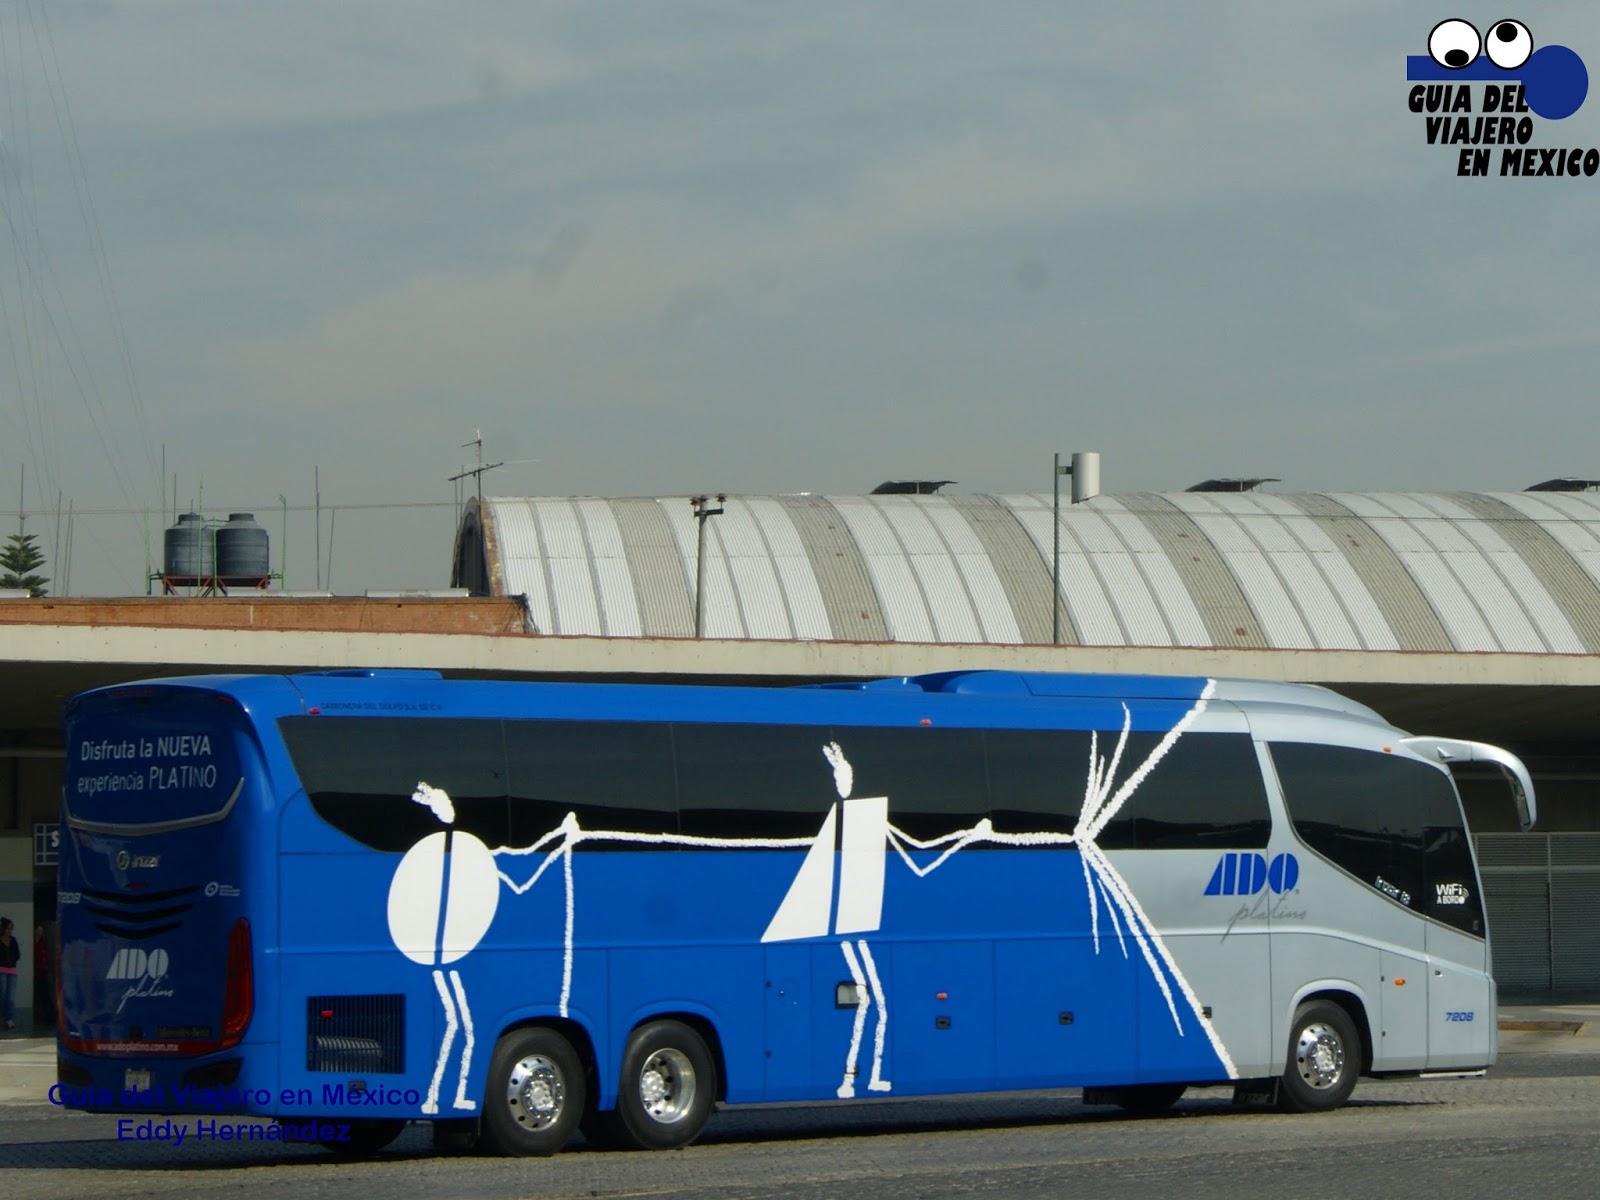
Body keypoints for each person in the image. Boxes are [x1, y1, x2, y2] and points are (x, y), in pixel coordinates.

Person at [0, 917, 19, 1030]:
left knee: (10, 998)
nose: (10, 931)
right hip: (1, 970)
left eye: (11, 929)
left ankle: (9, 1019)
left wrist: (12, 961)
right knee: (2, 996)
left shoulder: (13, 940)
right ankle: (5, 1017)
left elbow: (17, 954)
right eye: (8, 929)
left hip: (12, 971)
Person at [34, 925, 53, 1029]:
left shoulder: (42, 944)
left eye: (41, 931)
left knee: (44, 995)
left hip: (41, 973)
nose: (39, 933)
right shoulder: (33, 943)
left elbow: (44, 958)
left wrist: (48, 971)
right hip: (34, 972)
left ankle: (48, 1017)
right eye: (38, 930)